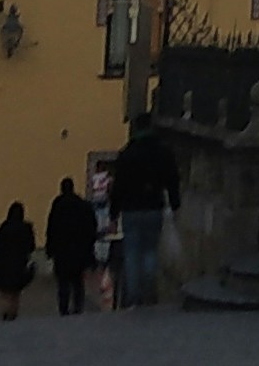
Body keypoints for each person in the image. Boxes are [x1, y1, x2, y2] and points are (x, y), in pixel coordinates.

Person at [106, 116, 181, 308]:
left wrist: (113, 215)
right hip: (153, 206)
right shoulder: (163, 152)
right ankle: (148, 292)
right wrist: (175, 204)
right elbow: (172, 179)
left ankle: (133, 297)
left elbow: (118, 187)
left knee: (131, 252)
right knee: (150, 251)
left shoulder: (126, 154)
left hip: (130, 209)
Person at [44, 177, 100, 316]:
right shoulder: (83, 205)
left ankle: (63, 308)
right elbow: (91, 227)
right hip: (79, 249)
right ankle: (78, 307)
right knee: (77, 281)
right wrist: (90, 248)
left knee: (63, 281)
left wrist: (50, 249)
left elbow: (52, 228)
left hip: (62, 250)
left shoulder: (58, 205)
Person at [0, 202, 37, 321]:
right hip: (19, 265)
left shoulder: (4, 227)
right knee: (16, 292)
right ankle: (13, 312)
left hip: (4, 265)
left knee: (5, 292)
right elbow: (31, 247)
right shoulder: (26, 228)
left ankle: (6, 311)